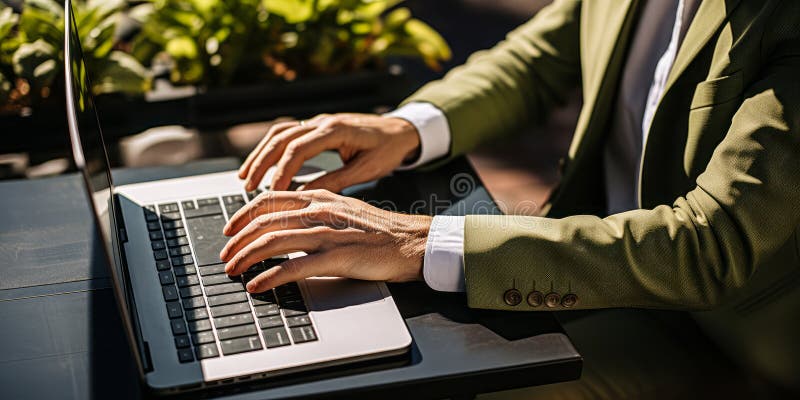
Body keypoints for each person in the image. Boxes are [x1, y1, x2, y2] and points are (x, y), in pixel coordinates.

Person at [220, 0, 800, 397]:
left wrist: (416, 239)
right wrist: (408, 128)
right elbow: (539, 60)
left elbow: (708, 245)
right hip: (593, 251)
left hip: (720, 335)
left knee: (447, 380)